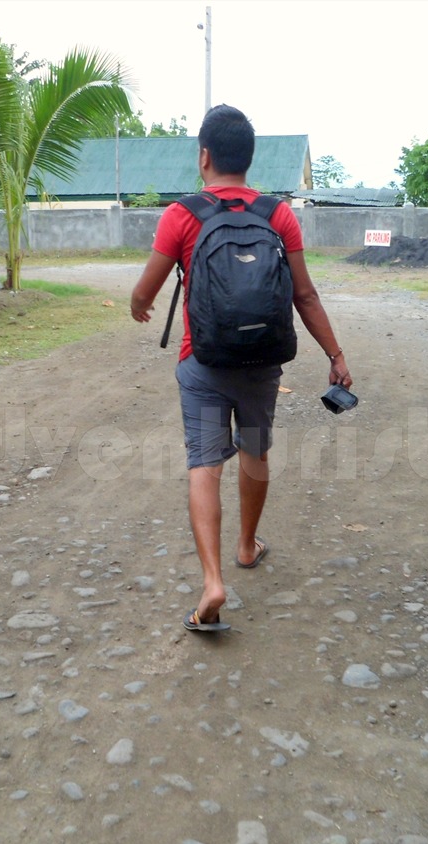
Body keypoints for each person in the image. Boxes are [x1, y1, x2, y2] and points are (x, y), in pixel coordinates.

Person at [130, 104, 354, 633]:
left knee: (205, 463)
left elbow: (146, 290)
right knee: (255, 450)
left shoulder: (181, 215)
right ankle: (247, 547)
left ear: (204, 157)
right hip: (261, 365)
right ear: (248, 160)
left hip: (202, 363)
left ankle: (212, 582)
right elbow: (304, 293)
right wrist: (335, 354)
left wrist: (139, 305)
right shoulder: (278, 215)